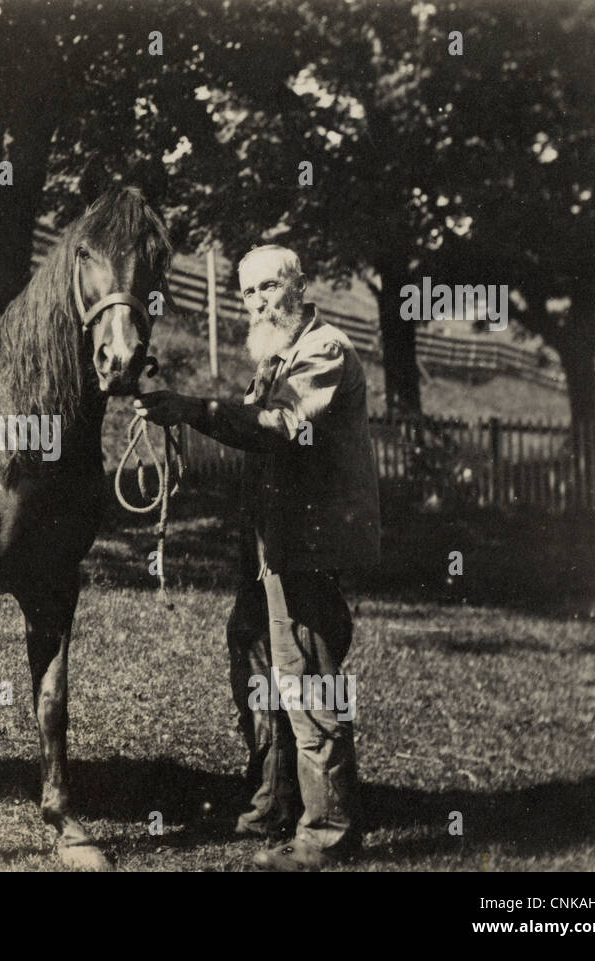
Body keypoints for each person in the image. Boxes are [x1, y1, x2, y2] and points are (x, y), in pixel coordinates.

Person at [133, 244, 380, 871]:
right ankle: (273, 802)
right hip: (270, 547)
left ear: (298, 286)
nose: (260, 300)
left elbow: (273, 426)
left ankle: (329, 837)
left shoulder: (324, 350)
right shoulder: (274, 360)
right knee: (258, 666)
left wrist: (191, 409)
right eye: (248, 292)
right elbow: (251, 428)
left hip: (308, 548)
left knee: (310, 684)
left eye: (271, 286)